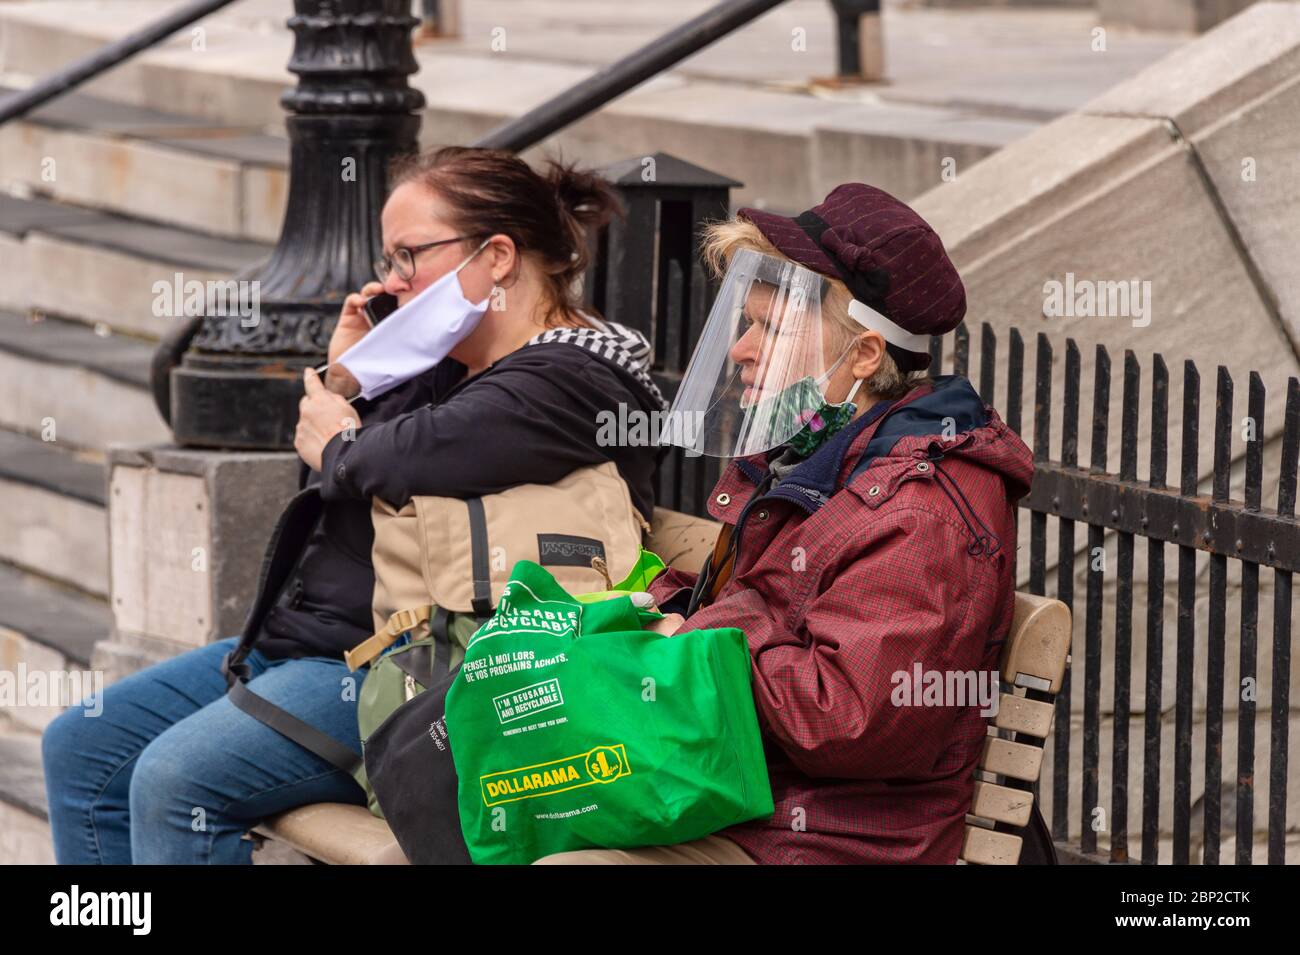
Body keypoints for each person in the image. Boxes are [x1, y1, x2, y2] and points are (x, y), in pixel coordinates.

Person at [42, 147, 667, 864]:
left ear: (497, 256)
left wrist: (347, 426)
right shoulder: (455, 362)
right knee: (80, 746)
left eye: (410, 256)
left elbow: (387, 456)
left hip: (431, 673)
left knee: (175, 780)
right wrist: (359, 374)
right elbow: (348, 482)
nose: (392, 282)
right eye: (390, 259)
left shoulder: (577, 380)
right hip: (320, 643)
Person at [534, 183, 1034, 865]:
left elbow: (849, 720)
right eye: (747, 325)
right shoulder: (810, 451)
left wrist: (707, 630)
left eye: (770, 329)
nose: (741, 349)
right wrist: (647, 609)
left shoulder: (922, 509)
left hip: (828, 837)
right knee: (505, 777)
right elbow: (761, 605)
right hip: (733, 793)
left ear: (862, 355)